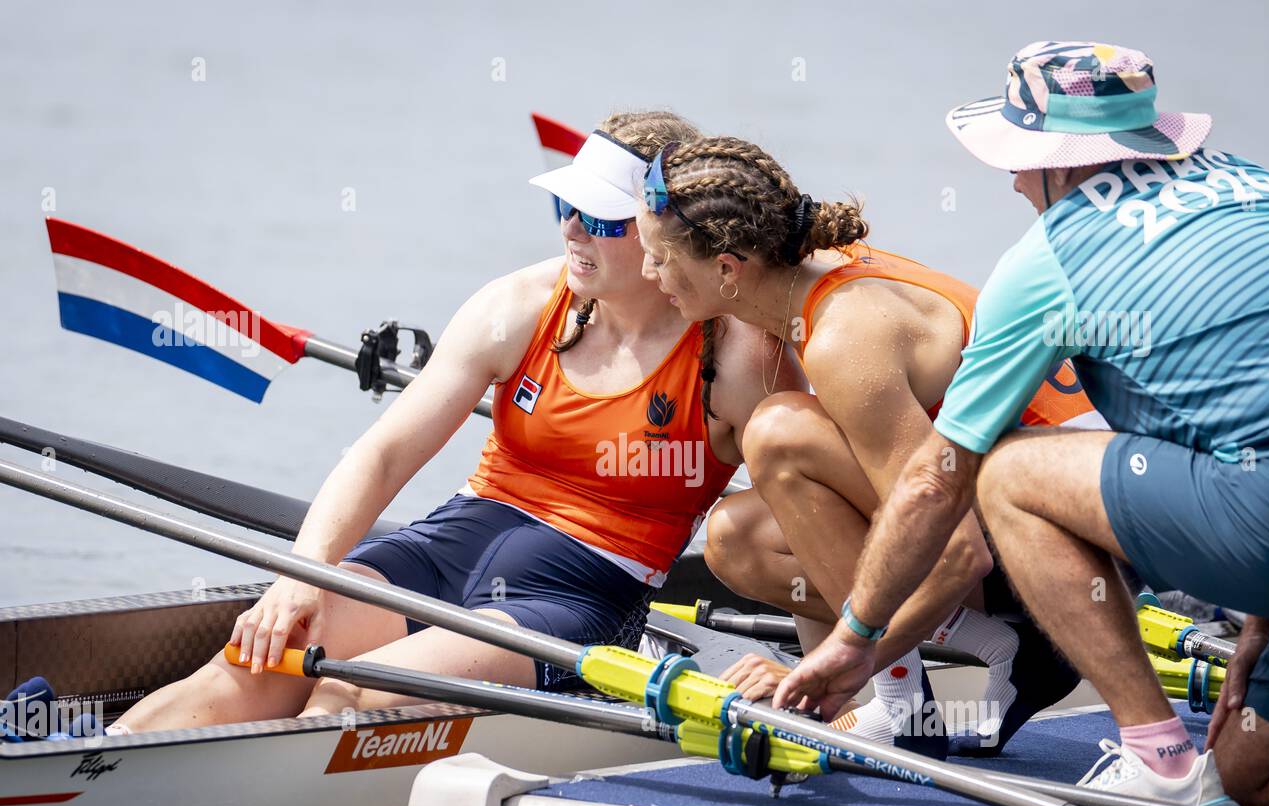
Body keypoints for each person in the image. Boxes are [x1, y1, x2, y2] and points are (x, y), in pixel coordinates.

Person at [110, 111, 801, 734]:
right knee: (266, 654)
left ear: (661, 233)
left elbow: (814, 530)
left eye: (599, 219)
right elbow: (381, 455)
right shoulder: (520, 305)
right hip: (452, 544)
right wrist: (301, 577)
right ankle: (93, 759)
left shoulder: (738, 358)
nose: (570, 229)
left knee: (356, 696)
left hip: (576, 596)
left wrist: (823, 666)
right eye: (565, 205)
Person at [776, 40, 1269, 806]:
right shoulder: (1264, 187)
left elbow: (936, 479)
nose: (1016, 181)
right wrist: (1267, 612)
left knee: (1009, 474)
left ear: (1062, 161)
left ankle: (1157, 758)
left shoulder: (1048, 260)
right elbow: (1258, 401)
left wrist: (856, 639)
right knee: (1252, 776)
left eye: (1021, 160)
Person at [635, 134, 1103, 757]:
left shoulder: (845, 337)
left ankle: (902, 704)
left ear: (727, 268)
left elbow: (957, 554)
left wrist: (833, 665)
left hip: (1068, 536)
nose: (648, 274)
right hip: (1009, 504)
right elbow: (821, 517)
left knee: (777, 431)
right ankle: (991, 649)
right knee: (736, 538)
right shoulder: (800, 275)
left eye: (659, 258)